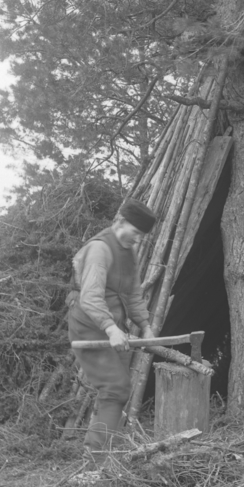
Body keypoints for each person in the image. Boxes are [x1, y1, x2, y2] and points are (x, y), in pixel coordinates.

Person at [67, 196, 158, 461]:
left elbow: (132, 294)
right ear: (120, 222)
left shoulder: (128, 253)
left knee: (116, 391)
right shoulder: (100, 249)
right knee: (116, 388)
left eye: (142, 236)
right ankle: (95, 462)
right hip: (88, 325)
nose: (138, 239)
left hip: (113, 326)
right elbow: (90, 298)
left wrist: (145, 326)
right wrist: (110, 328)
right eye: (136, 232)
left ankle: (102, 454)